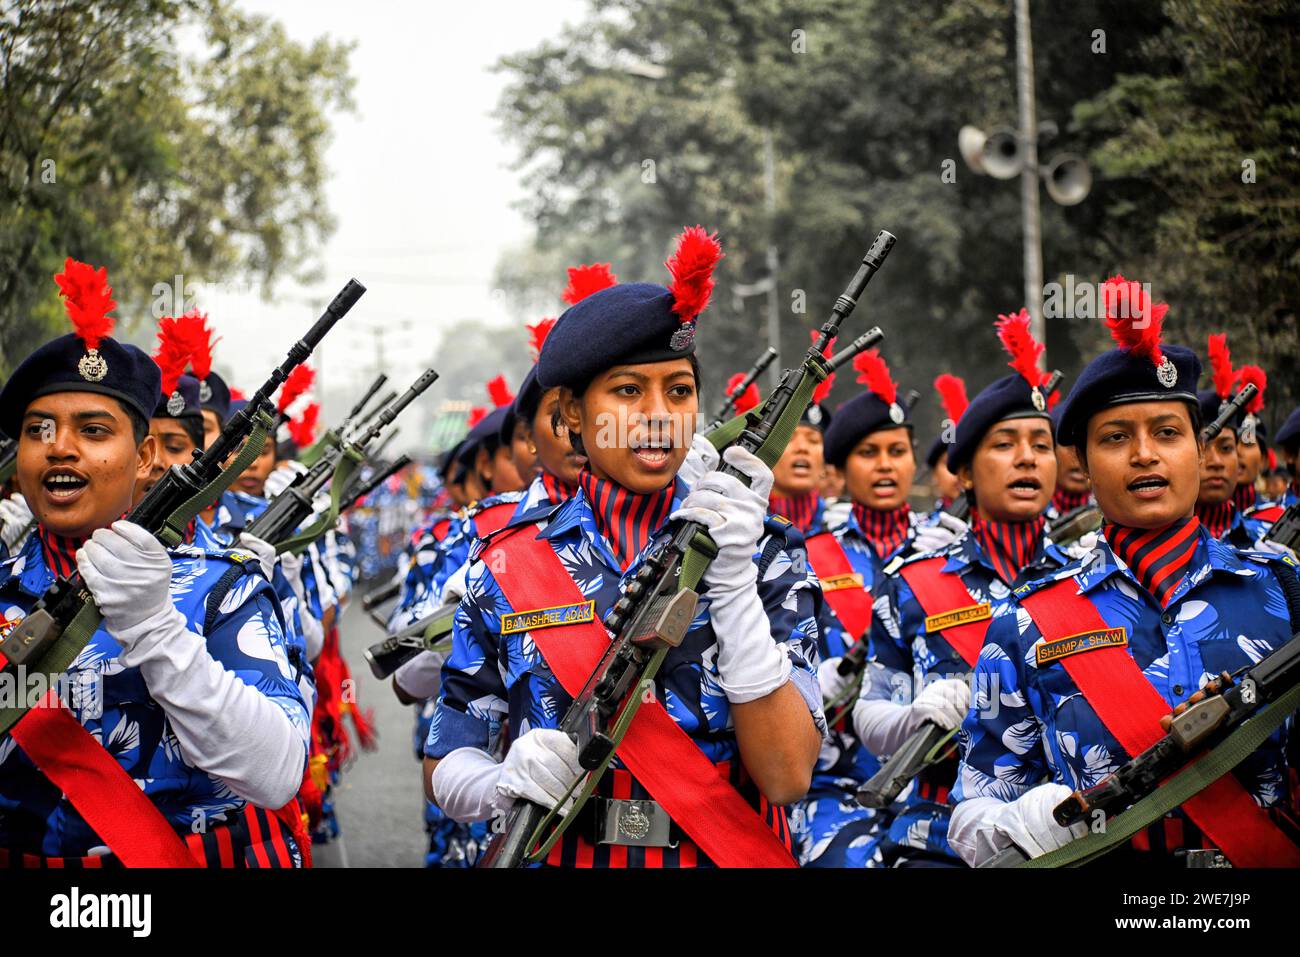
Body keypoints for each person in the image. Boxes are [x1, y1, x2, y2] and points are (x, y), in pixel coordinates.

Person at [423, 227, 824, 867]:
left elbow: (788, 777)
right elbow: (446, 757)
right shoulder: (506, 561)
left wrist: (731, 581)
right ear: (570, 414)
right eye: (629, 391)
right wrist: (498, 779)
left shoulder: (765, 553)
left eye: (680, 391)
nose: (659, 414)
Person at [949, 276, 1300, 868]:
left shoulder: (1282, 583)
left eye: (1168, 433)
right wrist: (1025, 818)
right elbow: (973, 808)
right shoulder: (1025, 618)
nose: (1144, 454)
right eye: (1116, 438)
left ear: (1198, 448)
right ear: (1081, 466)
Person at [0, 259, 309, 866]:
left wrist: (157, 627)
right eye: (40, 430)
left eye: (92, 429)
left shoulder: (223, 588)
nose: (60, 446)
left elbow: (275, 772)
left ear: (144, 457)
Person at [856, 310, 1077, 867]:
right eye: (1005, 444)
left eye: (1041, 444)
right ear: (968, 474)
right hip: (934, 836)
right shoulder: (912, 583)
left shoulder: (1090, 582)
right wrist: (915, 714)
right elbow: (870, 712)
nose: (1027, 457)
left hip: (1069, 834)